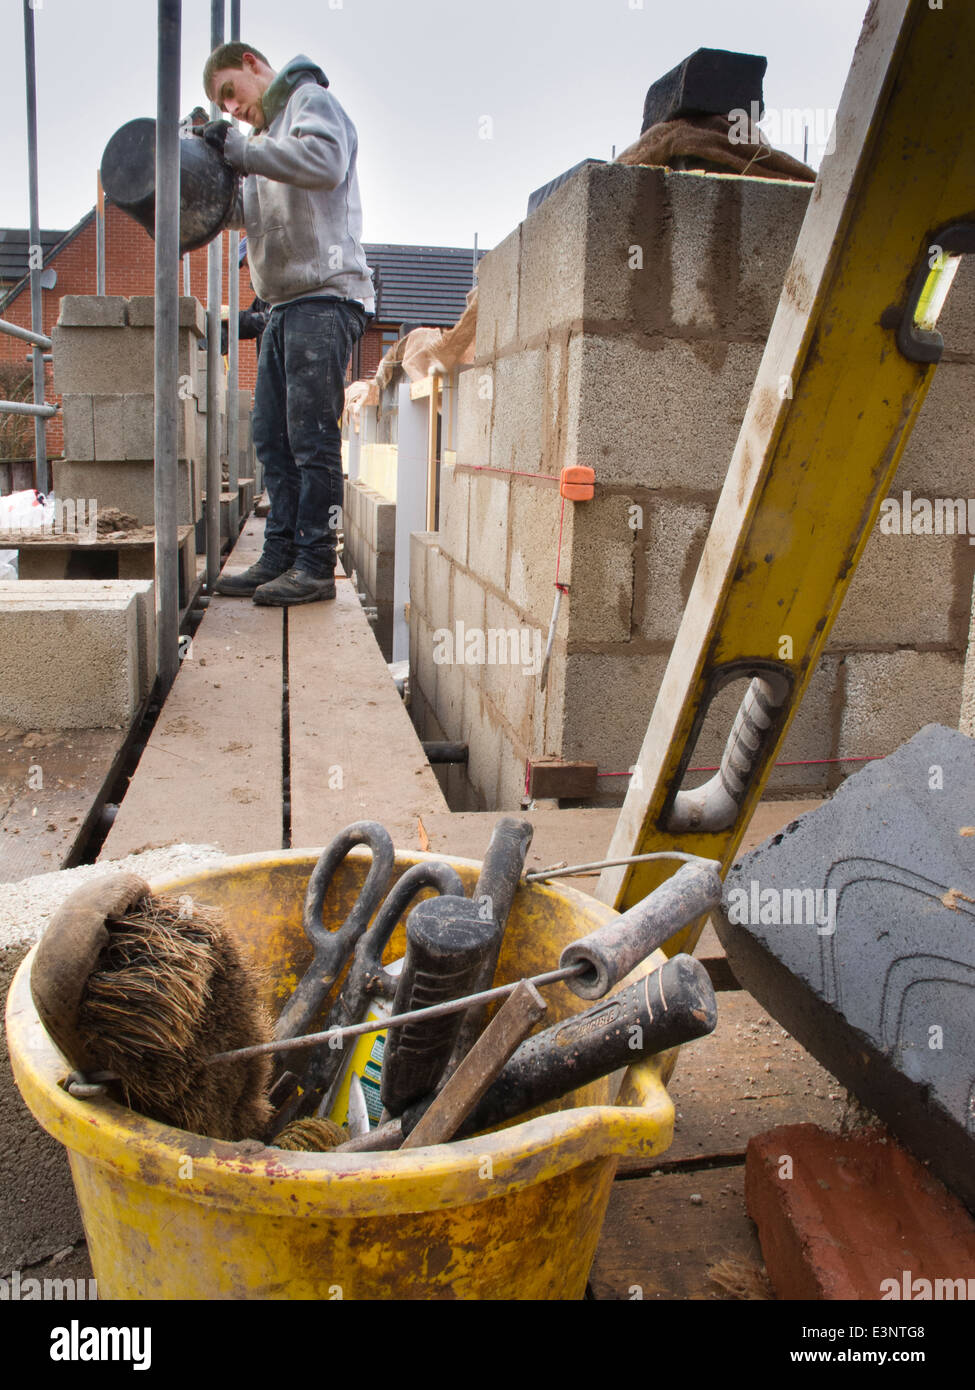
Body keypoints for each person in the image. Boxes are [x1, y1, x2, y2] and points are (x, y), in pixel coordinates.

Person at [196, 43, 374, 605]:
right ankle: (280, 555)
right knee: (271, 436)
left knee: (311, 437)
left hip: (325, 296)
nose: (231, 107)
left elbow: (324, 165)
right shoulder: (264, 144)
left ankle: (316, 563)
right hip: (283, 306)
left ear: (251, 62)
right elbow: (239, 213)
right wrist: (204, 166)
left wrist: (245, 151)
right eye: (221, 105)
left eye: (229, 91)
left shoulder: (310, 101)